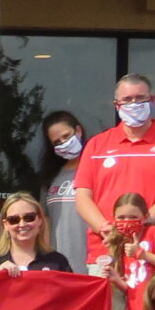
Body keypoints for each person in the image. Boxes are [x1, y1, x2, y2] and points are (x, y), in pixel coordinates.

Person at [75, 71, 155, 245]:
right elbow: (82, 198)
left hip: (153, 249)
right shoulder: (96, 145)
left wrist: (137, 226)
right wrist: (105, 228)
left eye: (140, 98)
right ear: (116, 105)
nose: (134, 104)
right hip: (105, 248)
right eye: (127, 99)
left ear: (152, 100)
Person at [39, 111, 90, 267]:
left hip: (91, 262)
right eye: (57, 142)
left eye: (66, 136)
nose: (63, 143)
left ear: (78, 131)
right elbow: (45, 221)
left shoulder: (95, 169)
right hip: (60, 265)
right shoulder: (51, 177)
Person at [0, 194, 76, 275]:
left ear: (39, 220)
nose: (22, 224)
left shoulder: (57, 261)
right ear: (5, 224)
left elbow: (72, 294)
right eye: (14, 220)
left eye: (29, 217)